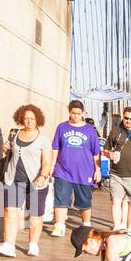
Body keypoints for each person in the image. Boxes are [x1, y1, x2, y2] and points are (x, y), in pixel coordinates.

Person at [0, 104, 54, 258]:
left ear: (38, 119)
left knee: (35, 214)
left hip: (35, 181)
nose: (29, 121)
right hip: (13, 178)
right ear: (21, 118)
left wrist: (43, 176)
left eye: (32, 119)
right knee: (9, 209)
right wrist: (5, 148)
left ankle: (33, 244)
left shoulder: (43, 140)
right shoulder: (14, 133)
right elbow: (10, 155)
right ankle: (9, 245)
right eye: (26, 118)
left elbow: (47, 162)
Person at [49, 100, 102, 235]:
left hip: (84, 171)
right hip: (63, 170)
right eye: (73, 113)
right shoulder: (62, 127)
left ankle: (86, 225)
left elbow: (96, 153)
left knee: (84, 201)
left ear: (83, 113)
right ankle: (59, 225)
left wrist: (98, 170)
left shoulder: (90, 130)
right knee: (61, 198)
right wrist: (52, 165)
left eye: (79, 113)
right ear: (69, 112)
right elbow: (55, 147)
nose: (76, 116)